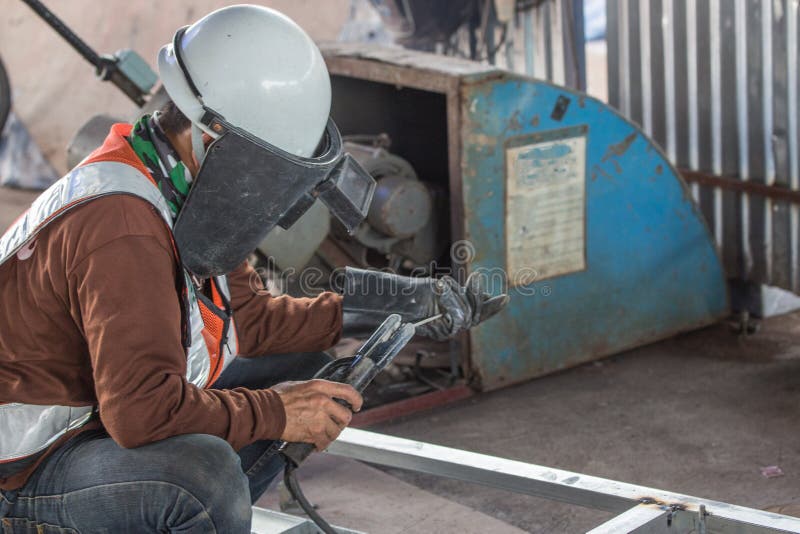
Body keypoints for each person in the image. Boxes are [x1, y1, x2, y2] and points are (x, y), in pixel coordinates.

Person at [0, 5, 507, 532]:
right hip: (24, 470)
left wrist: (407, 302)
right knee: (202, 477)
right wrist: (277, 411)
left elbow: (252, 320)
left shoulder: (174, 182)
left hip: (92, 418)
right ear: (217, 140)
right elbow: (141, 411)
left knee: (306, 366)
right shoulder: (122, 224)